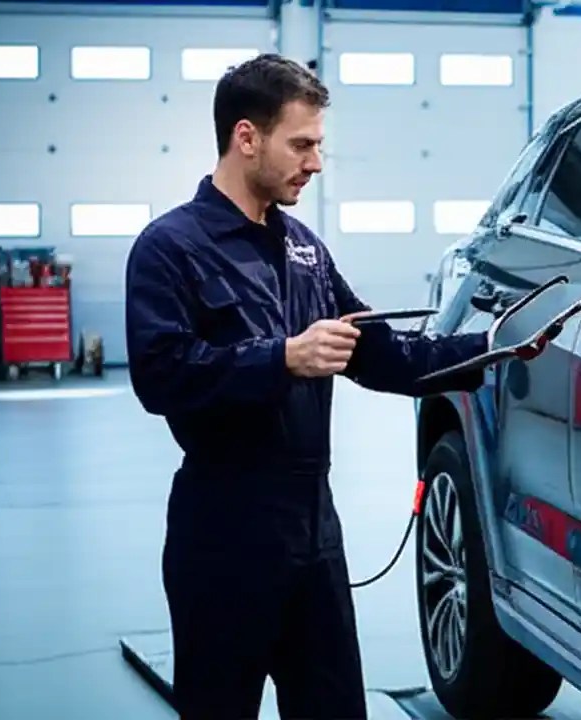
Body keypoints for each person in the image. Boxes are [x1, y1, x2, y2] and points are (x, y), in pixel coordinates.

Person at [123, 53, 489, 720]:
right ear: (246, 137)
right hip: (224, 533)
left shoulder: (304, 249)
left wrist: (492, 352)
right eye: (302, 143)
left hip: (314, 536)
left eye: (317, 144)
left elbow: (378, 352)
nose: (315, 162)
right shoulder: (169, 247)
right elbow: (160, 374)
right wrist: (282, 359)